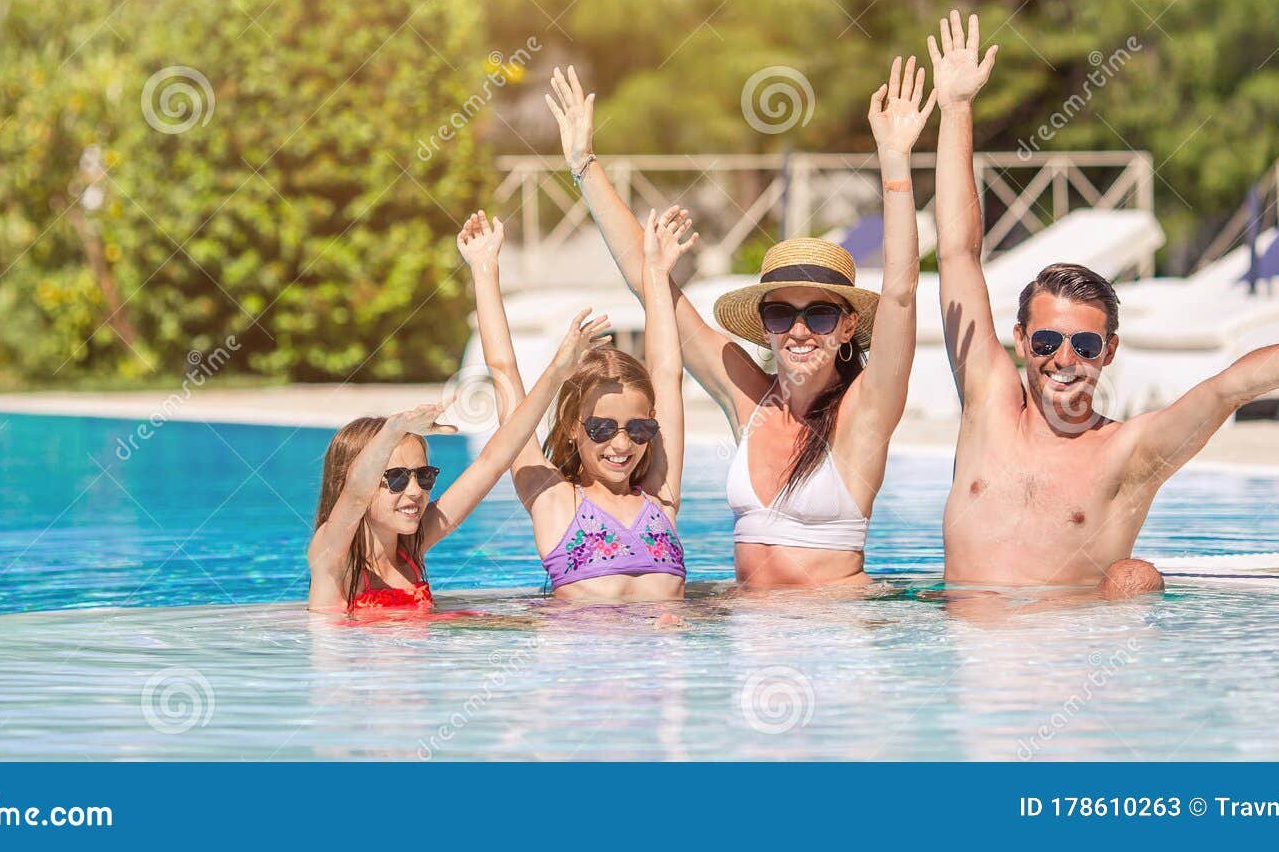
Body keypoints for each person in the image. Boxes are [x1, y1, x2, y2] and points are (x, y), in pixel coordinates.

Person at [930, 9, 1279, 597]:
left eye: (1084, 343)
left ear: (1108, 350)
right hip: (960, 645)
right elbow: (958, 253)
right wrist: (956, 109)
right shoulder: (987, 408)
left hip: (1067, 643)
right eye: (1047, 340)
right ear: (1021, 341)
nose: (1064, 359)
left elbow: (1230, 388)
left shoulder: (1129, 454)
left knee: (1134, 580)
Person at [547, 59, 933, 588]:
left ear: (848, 327)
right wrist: (584, 166)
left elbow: (901, 296)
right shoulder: (748, 399)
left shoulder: (866, 409)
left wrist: (895, 163)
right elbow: (652, 286)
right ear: (765, 326)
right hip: (747, 626)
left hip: (837, 627)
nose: (799, 331)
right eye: (781, 314)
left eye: (819, 314)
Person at [456, 205, 693, 602]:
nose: (622, 445)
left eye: (638, 429)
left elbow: (668, 374)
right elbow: (504, 372)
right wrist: (484, 270)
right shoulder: (553, 499)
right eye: (601, 429)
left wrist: (656, 271)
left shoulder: (660, 496)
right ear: (571, 427)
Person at [306, 311, 611, 614]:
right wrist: (393, 430)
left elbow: (492, 461)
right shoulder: (332, 556)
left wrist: (556, 373)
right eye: (397, 478)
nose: (415, 491)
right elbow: (356, 494)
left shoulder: (411, 548)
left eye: (424, 476)